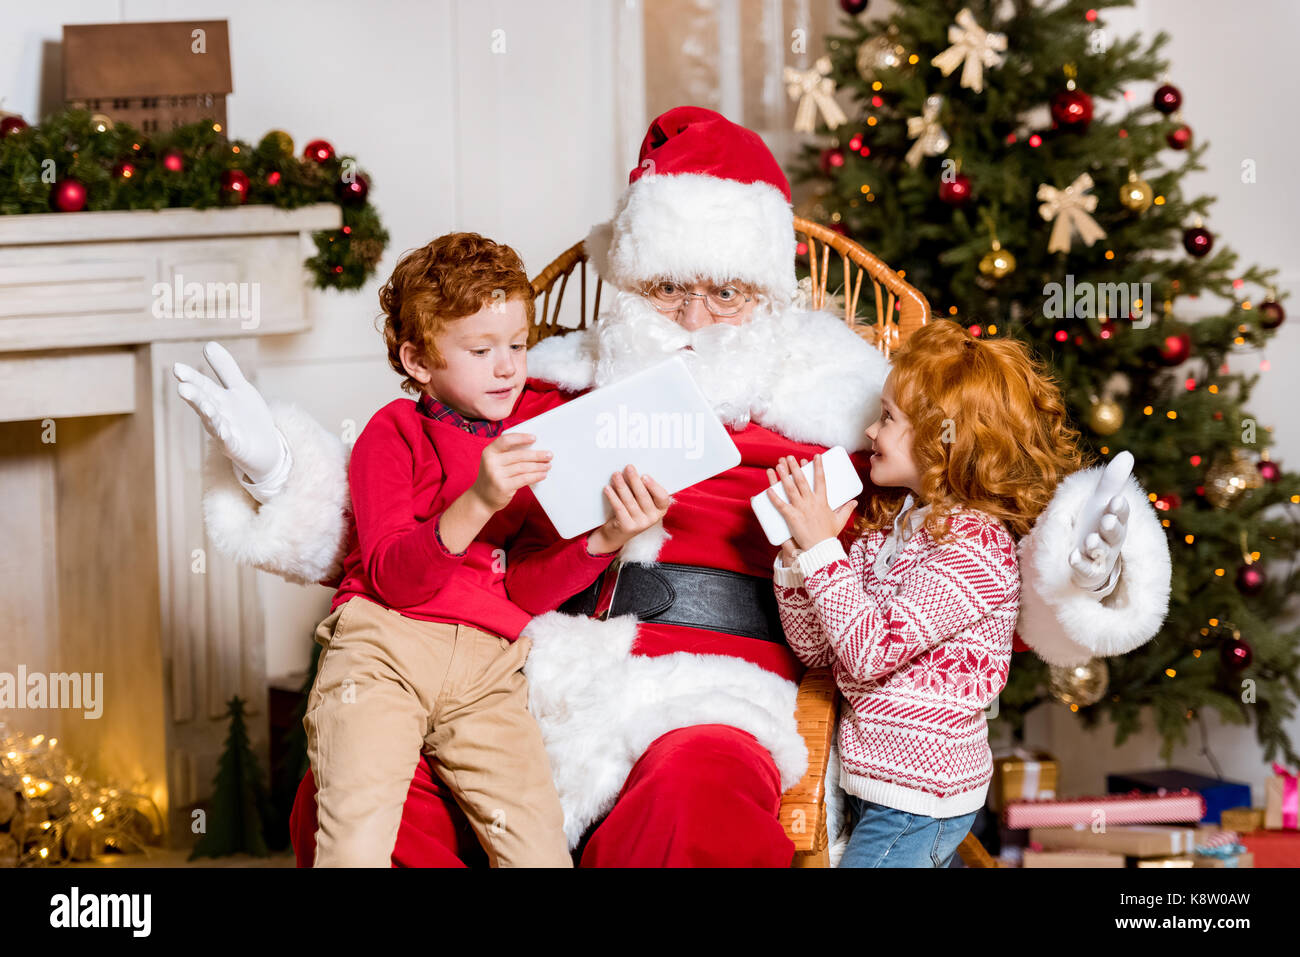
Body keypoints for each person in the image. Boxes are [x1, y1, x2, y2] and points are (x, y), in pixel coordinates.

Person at [177, 106, 1172, 867]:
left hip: (714, 682)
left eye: (726, 290)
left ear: (769, 294)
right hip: (515, 665)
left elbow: (968, 536)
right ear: (631, 284)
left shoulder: (846, 407)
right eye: (667, 288)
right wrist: (279, 472)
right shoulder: (543, 380)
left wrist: (1084, 567)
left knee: (694, 793)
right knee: (361, 795)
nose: (695, 314)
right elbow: (401, 528)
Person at [176, 232, 669, 867]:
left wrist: (605, 540)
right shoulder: (395, 432)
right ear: (418, 360)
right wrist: (480, 500)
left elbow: (522, 591)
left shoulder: (535, 434)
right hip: (385, 650)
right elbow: (394, 579)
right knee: (354, 840)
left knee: (539, 851)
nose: (507, 367)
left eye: (518, 345)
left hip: (492, 669)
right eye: (481, 349)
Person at [768, 321, 1088, 866]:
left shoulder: (976, 549)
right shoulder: (892, 527)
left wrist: (824, 550)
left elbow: (871, 651)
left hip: (919, 800)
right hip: (871, 783)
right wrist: (799, 562)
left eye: (889, 417)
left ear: (945, 438)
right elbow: (824, 651)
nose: (870, 430)